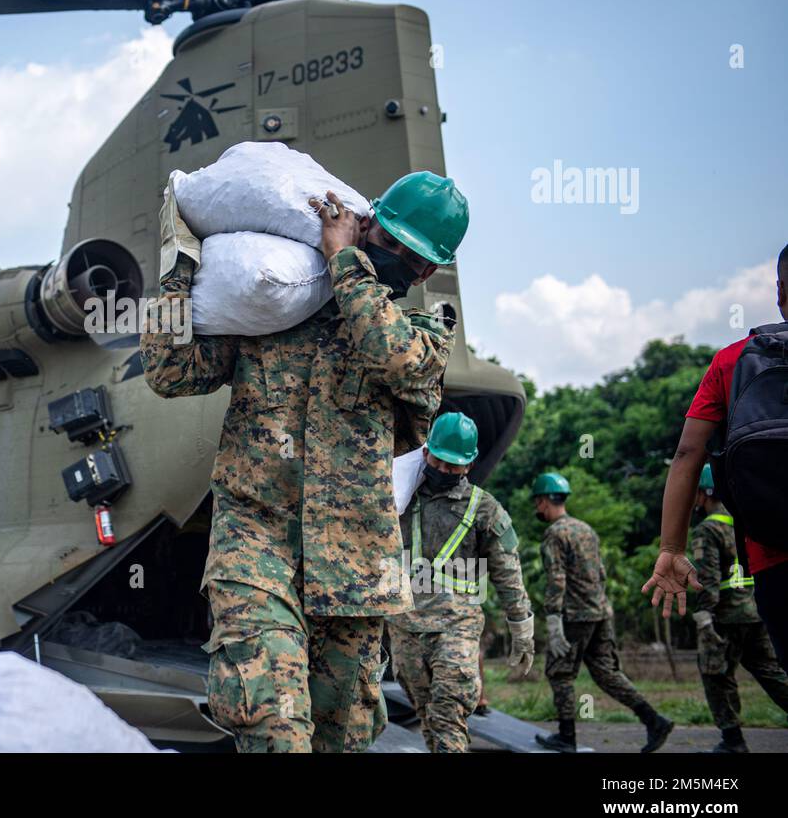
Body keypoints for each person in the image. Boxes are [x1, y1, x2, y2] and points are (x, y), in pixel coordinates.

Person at [141, 170, 468, 752]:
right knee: (271, 719)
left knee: (340, 737)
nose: (391, 256)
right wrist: (178, 272)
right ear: (366, 224)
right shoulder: (276, 307)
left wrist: (346, 262)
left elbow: (394, 360)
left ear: (427, 272)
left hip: (354, 567)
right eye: (384, 239)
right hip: (255, 543)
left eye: (407, 254)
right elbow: (171, 373)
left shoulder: (424, 336)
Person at [644, 243, 788, 664]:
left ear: (780, 292)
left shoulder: (732, 361)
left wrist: (671, 548)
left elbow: (689, 452)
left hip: (772, 558)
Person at [386, 412, 534, 752]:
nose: (445, 471)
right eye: (439, 462)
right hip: (405, 629)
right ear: (426, 454)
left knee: (449, 713)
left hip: (457, 628)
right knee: (427, 716)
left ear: (469, 464)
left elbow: (508, 572)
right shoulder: (399, 495)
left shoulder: (485, 510)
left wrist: (521, 624)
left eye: (454, 466)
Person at [532, 472, 673, 753]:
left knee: (560, 673)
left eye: (537, 503)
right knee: (607, 672)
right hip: (600, 611)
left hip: (575, 616)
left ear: (546, 501)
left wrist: (553, 620)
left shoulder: (554, 534)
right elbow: (602, 573)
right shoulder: (587, 530)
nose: (537, 509)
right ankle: (653, 719)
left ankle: (566, 736)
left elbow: (556, 580)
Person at [689, 464, 788, 752]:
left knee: (716, 674)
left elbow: (706, 576)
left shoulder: (707, 529)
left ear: (705, 495)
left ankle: (733, 740)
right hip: (755, 612)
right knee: (771, 672)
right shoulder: (745, 523)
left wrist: (704, 616)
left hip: (725, 616)